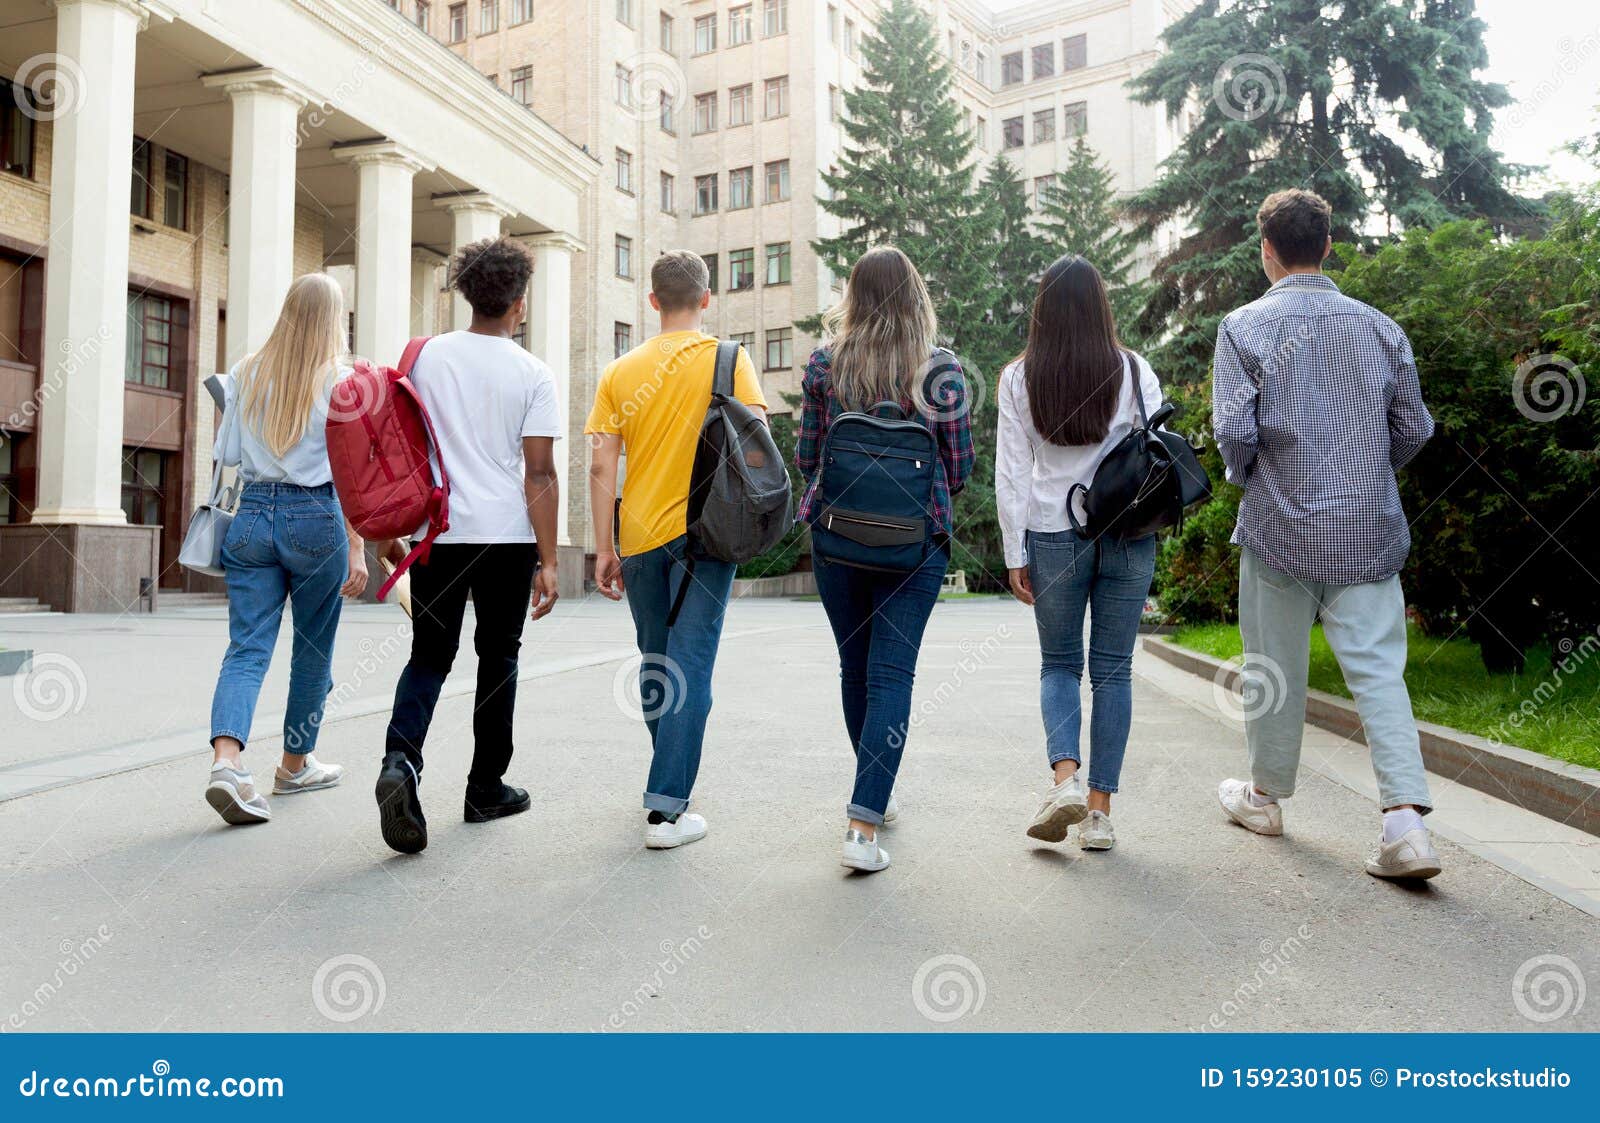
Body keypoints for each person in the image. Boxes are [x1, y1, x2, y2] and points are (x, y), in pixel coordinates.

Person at [1212, 188, 1440, 880]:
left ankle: (1264, 798)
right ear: (1329, 246)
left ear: (1268, 252)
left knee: (1272, 671)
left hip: (1278, 525)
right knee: (1378, 672)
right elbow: (1413, 428)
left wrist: (1251, 475)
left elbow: (1233, 433)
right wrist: (1369, 472)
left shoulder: (1242, 327)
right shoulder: (1380, 328)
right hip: (1366, 528)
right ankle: (1405, 826)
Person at [375, 237, 563, 855]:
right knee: (498, 657)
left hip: (439, 532)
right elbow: (539, 473)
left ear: (467, 294)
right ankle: (486, 788)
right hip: (507, 538)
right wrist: (550, 560)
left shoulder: (425, 358)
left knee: (429, 654)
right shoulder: (533, 373)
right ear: (519, 301)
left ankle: (401, 762)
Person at [797, 246, 974, 874]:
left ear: (854, 296)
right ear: (915, 296)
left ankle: (872, 795)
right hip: (915, 544)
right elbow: (957, 470)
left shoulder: (825, 364)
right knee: (891, 677)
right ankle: (864, 823)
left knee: (855, 671)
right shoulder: (942, 371)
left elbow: (808, 458)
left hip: (836, 539)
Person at [586, 250, 769, 851]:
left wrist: (602, 547)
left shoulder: (620, 371)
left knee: (657, 663)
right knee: (692, 665)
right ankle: (666, 810)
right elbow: (757, 451)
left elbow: (600, 462)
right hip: (708, 537)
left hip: (638, 539)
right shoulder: (731, 360)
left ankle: (670, 778)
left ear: (653, 301)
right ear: (707, 300)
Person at [996, 256, 1163, 853]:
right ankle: (1099, 815)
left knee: (1060, 665)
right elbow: (1156, 450)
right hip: (1127, 531)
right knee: (1113, 670)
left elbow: (1012, 474)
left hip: (1050, 531)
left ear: (1042, 309)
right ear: (1101, 305)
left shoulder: (1019, 378)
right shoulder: (1135, 368)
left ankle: (1063, 779)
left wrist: (1014, 552)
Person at [205, 273, 368, 825]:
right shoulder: (342, 383)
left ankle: (227, 763)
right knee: (312, 650)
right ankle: (294, 765)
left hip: (250, 515)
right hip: (315, 519)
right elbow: (352, 474)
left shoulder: (246, 373)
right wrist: (358, 548)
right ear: (333, 320)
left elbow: (223, 452)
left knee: (246, 647)